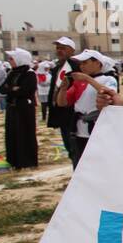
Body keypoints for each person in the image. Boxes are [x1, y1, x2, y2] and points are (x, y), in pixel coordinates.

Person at [56, 49, 118, 165]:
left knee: (99, 162)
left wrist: (87, 79)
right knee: (80, 162)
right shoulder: (78, 83)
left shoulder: (108, 79)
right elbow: (62, 103)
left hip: (98, 128)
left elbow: (109, 94)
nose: (82, 66)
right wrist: (63, 89)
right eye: (80, 63)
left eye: (85, 62)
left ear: (97, 63)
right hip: (79, 130)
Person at [0, 48, 39, 169]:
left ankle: (27, 161)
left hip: (24, 109)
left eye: (12, 58)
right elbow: (2, 89)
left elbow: (25, 91)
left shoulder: (29, 73)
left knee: (25, 133)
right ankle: (14, 161)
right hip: (12, 107)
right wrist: (13, 89)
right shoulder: (12, 72)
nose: (10, 61)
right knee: (12, 134)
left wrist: (11, 89)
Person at [47, 36, 81, 165]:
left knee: (74, 146)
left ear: (71, 50)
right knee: (68, 145)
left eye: (63, 48)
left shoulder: (76, 67)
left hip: (71, 112)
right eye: (58, 48)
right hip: (60, 113)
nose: (59, 51)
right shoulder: (57, 68)